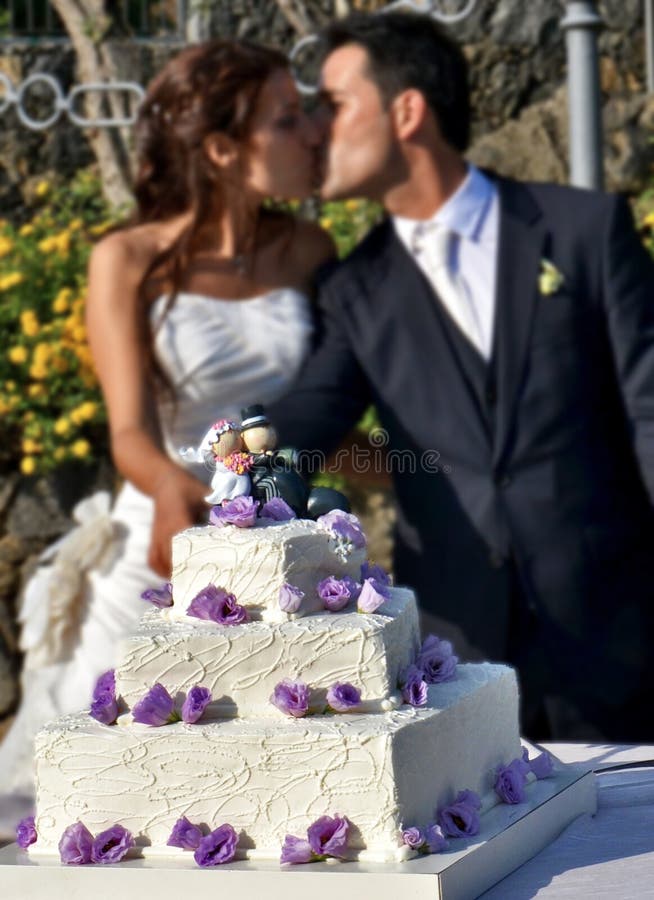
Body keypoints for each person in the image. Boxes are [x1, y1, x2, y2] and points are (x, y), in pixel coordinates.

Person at [269, 11, 654, 741]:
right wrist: (246, 459)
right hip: (458, 666)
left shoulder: (584, 231)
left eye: (333, 104)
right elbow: (315, 406)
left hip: (618, 641)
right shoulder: (355, 290)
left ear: (407, 110)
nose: (316, 130)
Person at [0, 38, 332, 826]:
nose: (312, 133)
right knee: (97, 796)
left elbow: (329, 413)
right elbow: (129, 432)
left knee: (267, 792)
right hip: (161, 536)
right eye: (288, 120)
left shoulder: (313, 251)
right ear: (222, 150)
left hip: (288, 543)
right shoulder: (126, 258)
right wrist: (177, 496)